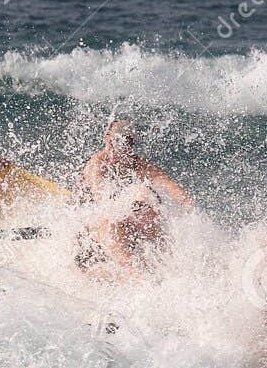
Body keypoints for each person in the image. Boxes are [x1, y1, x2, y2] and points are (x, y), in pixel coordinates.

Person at [76, 119, 192, 279]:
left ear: (130, 145)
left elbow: (167, 184)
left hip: (124, 227)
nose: (118, 148)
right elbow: (101, 198)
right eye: (114, 142)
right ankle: (134, 274)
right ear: (107, 138)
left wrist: (189, 205)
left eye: (125, 144)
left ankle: (177, 268)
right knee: (113, 223)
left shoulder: (137, 164)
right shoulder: (97, 164)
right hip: (91, 235)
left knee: (146, 201)